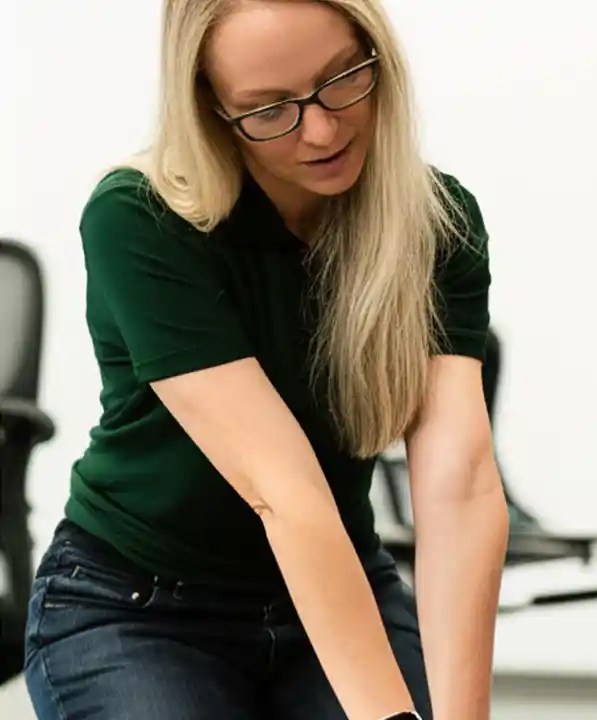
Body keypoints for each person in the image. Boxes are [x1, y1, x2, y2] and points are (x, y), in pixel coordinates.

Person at [22, 1, 508, 719]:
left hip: (345, 588)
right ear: (210, 109)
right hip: (139, 607)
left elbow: (459, 488)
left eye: (344, 78)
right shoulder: (141, 218)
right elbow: (284, 491)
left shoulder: (436, 222)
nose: (321, 127)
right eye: (270, 109)